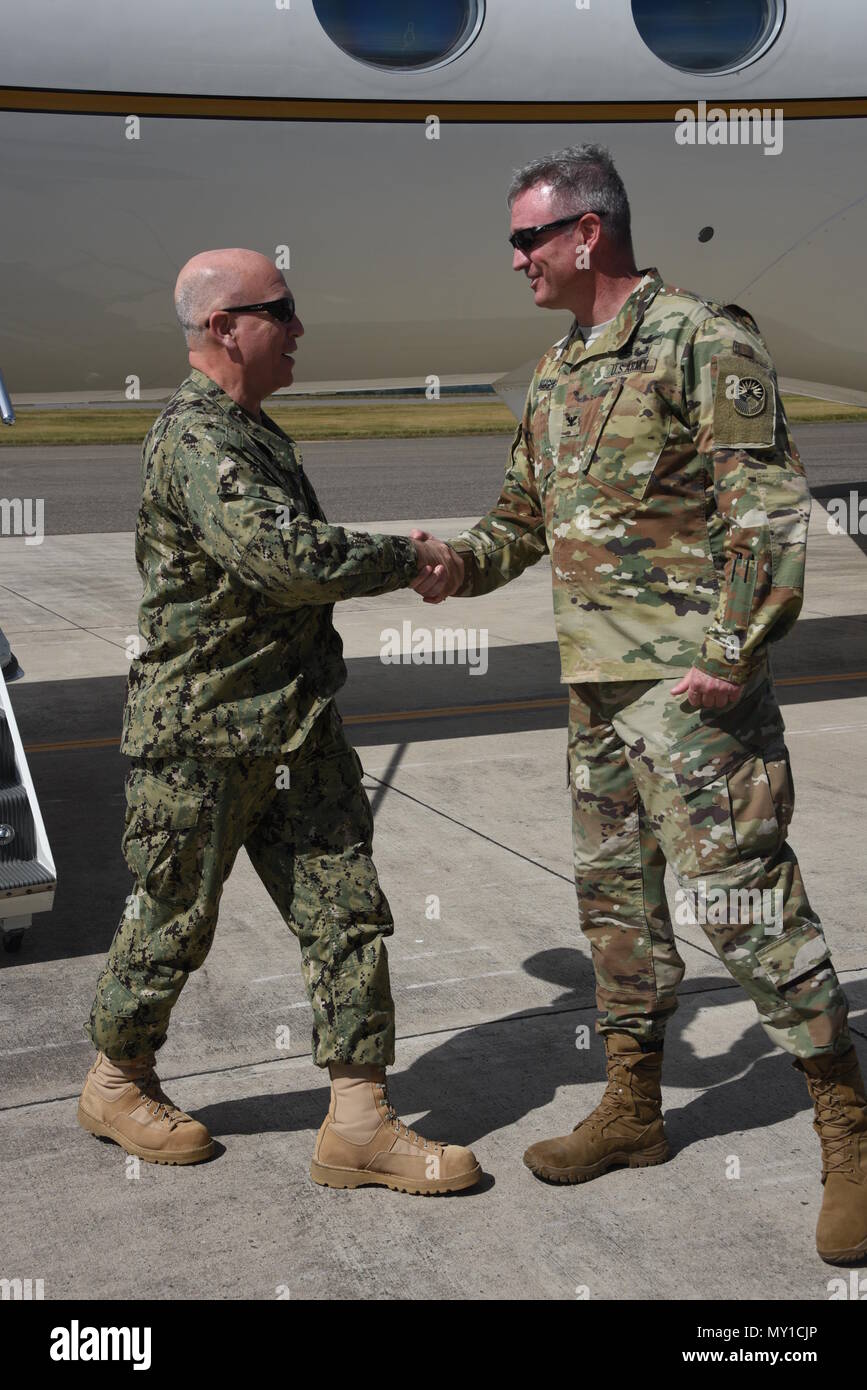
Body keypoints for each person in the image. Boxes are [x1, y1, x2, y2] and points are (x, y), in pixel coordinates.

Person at [413, 145, 866, 1263]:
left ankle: (848, 1131)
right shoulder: (559, 371)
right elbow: (522, 519)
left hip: (691, 697)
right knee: (618, 914)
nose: (514, 257)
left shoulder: (705, 340)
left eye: (527, 238)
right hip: (595, 697)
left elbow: (765, 511)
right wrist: (451, 566)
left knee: (746, 909)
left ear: (587, 235)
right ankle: (635, 1110)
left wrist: (729, 651)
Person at [77, 248, 478, 1196]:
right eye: (282, 309)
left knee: (346, 914)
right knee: (173, 917)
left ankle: (359, 1122)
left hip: (296, 725)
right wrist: (407, 554)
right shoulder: (197, 440)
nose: (299, 328)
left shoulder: (257, 433)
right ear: (225, 327)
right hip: (202, 739)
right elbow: (281, 556)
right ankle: (115, 1082)